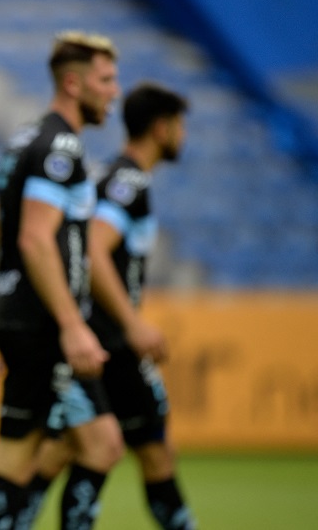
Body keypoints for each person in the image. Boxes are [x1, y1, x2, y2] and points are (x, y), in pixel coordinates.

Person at [0, 31, 123, 530]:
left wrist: (3, 310)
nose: (114, 91)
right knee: (98, 444)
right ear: (74, 84)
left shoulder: (22, 140)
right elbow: (35, 239)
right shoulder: (62, 147)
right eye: (106, 79)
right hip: (46, 324)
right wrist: (73, 324)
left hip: (22, 315)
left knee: (32, 453)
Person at [88, 82, 196, 529]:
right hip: (110, 339)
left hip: (101, 335)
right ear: (162, 128)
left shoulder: (119, 177)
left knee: (86, 450)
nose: (183, 136)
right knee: (140, 449)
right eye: (180, 126)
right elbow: (95, 249)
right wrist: (133, 324)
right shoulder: (128, 181)